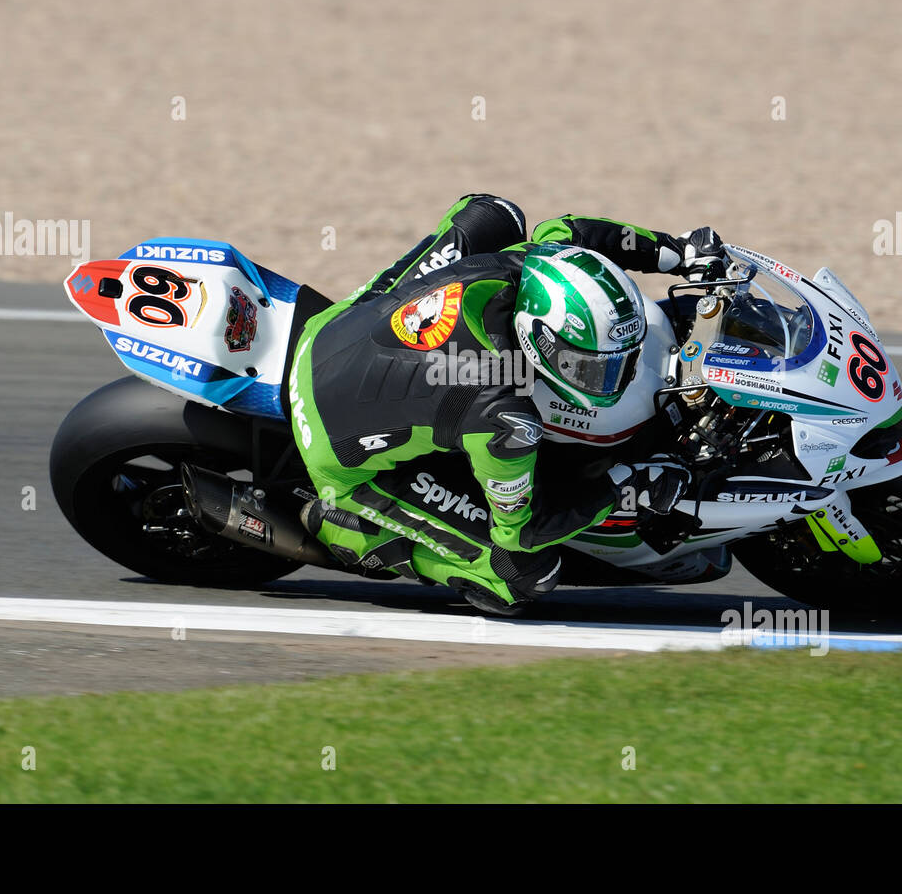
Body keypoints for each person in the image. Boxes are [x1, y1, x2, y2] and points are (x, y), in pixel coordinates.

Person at [288, 193, 724, 613]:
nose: (614, 381)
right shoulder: (502, 414)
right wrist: (625, 490)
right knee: (520, 575)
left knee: (492, 214)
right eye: (591, 369)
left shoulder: (537, 263)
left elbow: (572, 231)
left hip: (337, 323)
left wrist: (676, 251)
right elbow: (521, 530)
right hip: (334, 446)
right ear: (539, 339)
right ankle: (350, 532)